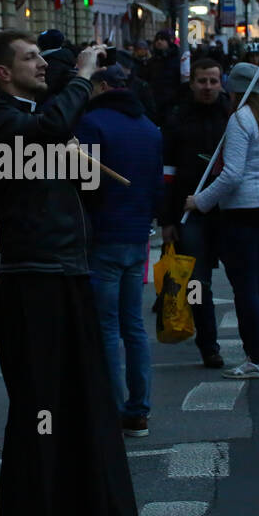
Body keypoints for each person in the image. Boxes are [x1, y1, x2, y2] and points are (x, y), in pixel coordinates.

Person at [0, 30, 138, 516]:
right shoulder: (0, 117)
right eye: (29, 58)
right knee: (39, 409)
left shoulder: (34, 118)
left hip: (65, 269)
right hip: (33, 279)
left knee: (74, 404)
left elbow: (60, 167)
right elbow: (43, 130)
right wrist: (83, 76)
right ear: (2, 72)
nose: (41, 65)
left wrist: (79, 164)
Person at [76, 64, 162, 437]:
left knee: (107, 328)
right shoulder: (148, 128)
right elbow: (157, 183)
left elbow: (85, 182)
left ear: (103, 87)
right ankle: (139, 409)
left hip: (104, 235)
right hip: (137, 234)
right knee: (135, 327)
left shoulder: (93, 123)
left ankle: (112, 409)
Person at [186, 62, 259, 379]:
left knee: (245, 288)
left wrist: (200, 201)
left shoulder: (240, 119)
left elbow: (232, 174)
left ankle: (255, 357)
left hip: (241, 209)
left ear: (234, 88)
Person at [159, 58, 232, 367]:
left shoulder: (233, 116)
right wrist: (166, 219)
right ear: (192, 84)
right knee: (197, 283)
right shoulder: (177, 117)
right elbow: (166, 173)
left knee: (244, 280)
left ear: (221, 83)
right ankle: (208, 345)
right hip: (189, 211)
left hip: (229, 210)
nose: (208, 87)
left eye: (213, 81)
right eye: (202, 81)